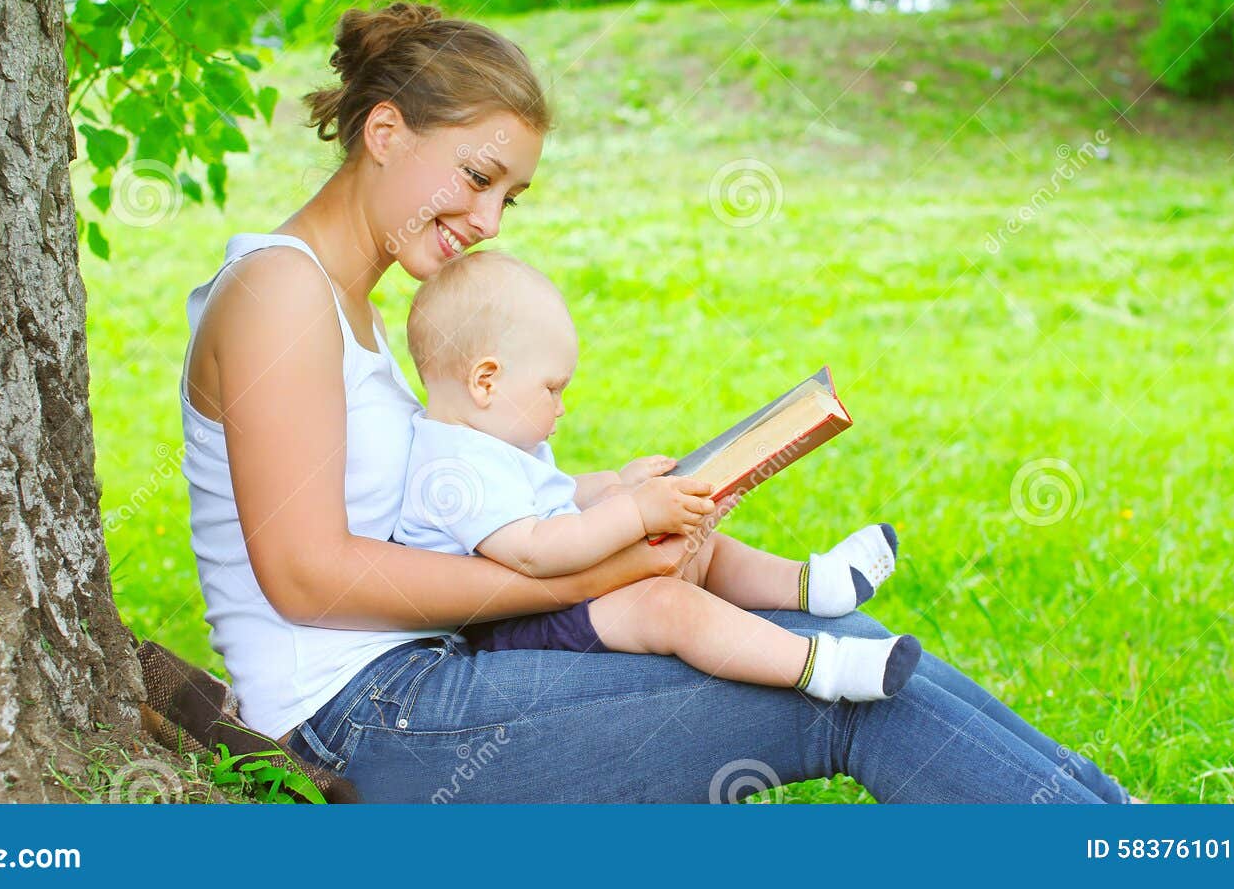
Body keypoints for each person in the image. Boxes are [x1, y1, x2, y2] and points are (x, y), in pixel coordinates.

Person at [178, 0, 1134, 803]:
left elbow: (427, 524)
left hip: (426, 682)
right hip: (362, 724)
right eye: (477, 177)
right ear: (384, 132)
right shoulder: (278, 293)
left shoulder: (359, 314)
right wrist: (583, 579)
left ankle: (1123, 824)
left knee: (842, 639)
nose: (487, 221)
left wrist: (601, 517)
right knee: (834, 696)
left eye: (510, 197)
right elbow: (306, 578)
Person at [393, 248, 922, 702]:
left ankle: (813, 585)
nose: (561, 408)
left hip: (549, 600)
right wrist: (636, 510)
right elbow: (535, 548)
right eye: (552, 389)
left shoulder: (482, 441)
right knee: (667, 606)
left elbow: (548, 497)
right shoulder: (451, 471)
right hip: (513, 630)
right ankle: (825, 668)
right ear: (486, 381)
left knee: (703, 549)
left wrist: (616, 484)